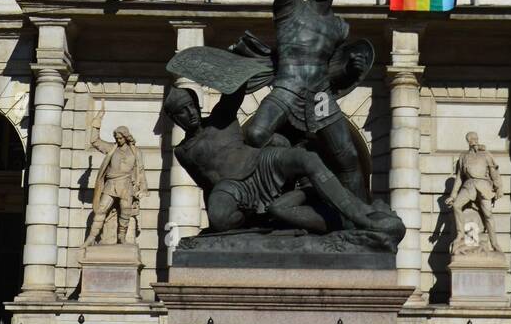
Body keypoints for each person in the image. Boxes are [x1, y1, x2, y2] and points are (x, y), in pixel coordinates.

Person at [166, 84, 404, 245]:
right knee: (220, 217)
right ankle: (277, 215)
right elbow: (206, 185)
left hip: (261, 163)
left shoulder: (220, 118)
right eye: (181, 112)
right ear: (175, 118)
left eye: (191, 106)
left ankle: (360, 216)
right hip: (232, 189)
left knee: (305, 158)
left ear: (197, 104)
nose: (190, 113)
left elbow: (237, 87)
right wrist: (217, 221)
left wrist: (235, 56)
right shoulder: (182, 152)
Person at [241, 0, 368, 199]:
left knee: (348, 156)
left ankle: (363, 215)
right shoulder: (290, 5)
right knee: (255, 134)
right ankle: (285, 162)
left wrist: (352, 68)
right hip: (287, 89)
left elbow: (334, 72)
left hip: (320, 96)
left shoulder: (341, 27)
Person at [85, 121, 148, 246]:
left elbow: (140, 171)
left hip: (126, 185)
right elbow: (94, 141)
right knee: (101, 210)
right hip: (111, 183)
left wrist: (143, 188)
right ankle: (91, 238)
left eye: (120, 138)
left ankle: (121, 237)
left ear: (126, 137)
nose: (118, 140)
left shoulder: (136, 152)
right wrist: (96, 124)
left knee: (126, 210)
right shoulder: (111, 148)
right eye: (116, 138)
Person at [445, 131, 502, 253]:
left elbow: (494, 173)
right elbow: (459, 178)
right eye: (471, 139)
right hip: (469, 185)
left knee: (488, 215)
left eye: (475, 138)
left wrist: (498, 188)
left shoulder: (486, 155)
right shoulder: (463, 156)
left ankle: (495, 243)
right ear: (468, 141)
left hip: (484, 185)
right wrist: (453, 195)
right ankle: (460, 235)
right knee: (456, 206)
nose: (473, 140)